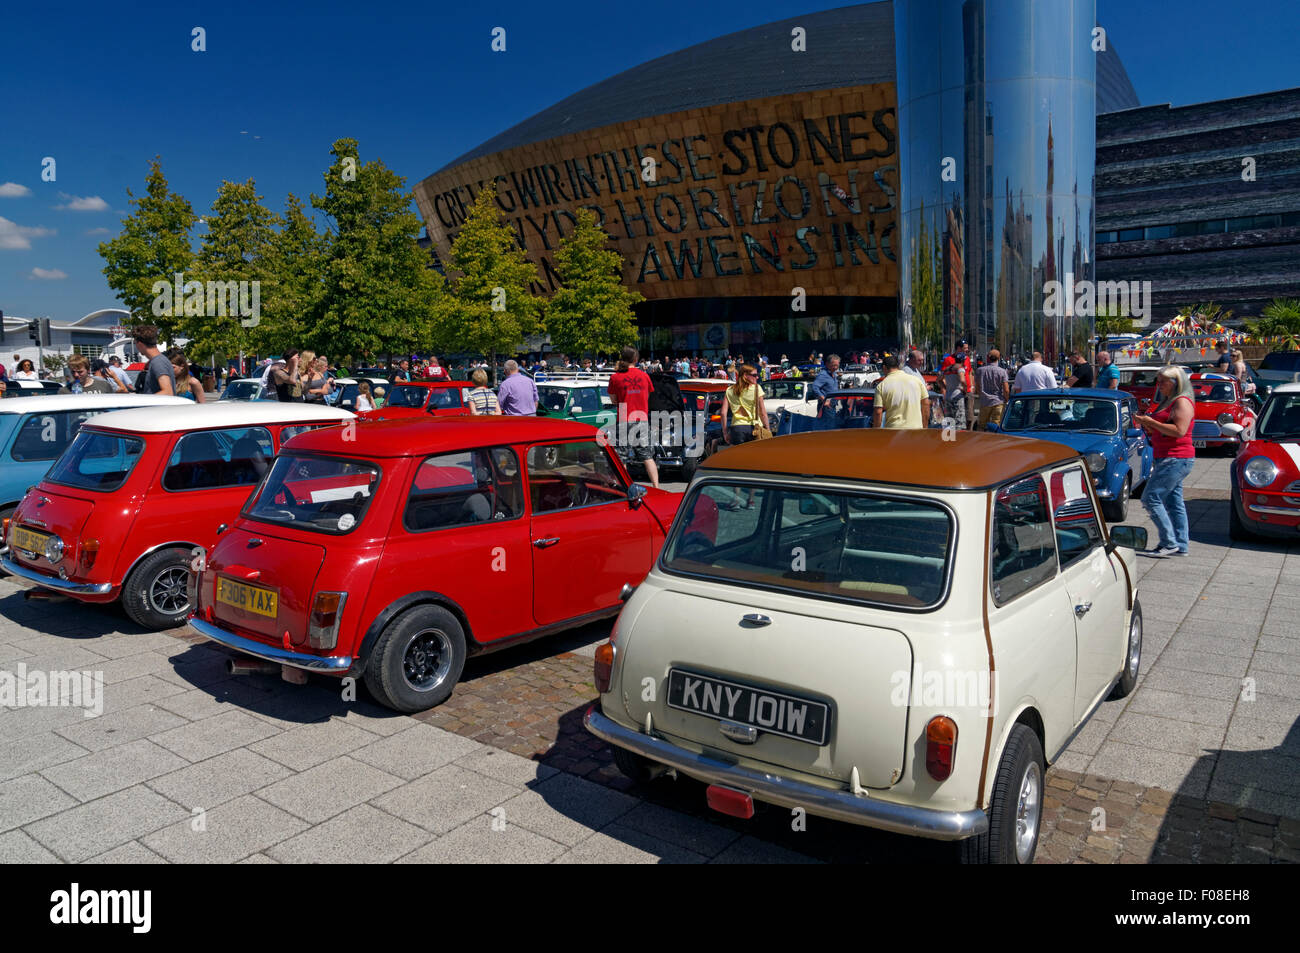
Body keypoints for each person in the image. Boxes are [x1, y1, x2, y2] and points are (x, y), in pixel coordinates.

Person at [1133, 365, 1195, 557]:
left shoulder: (1182, 402)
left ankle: (1169, 542)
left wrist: (1151, 423)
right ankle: (1180, 544)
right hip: (1168, 456)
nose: (1159, 386)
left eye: (1162, 382)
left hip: (1176, 457)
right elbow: (1166, 428)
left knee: (1150, 497)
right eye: (1158, 381)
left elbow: (1179, 431)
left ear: (1175, 382)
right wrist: (1149, 425)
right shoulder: (1170, 400)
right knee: (1174, 502)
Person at [608, 346, 659, 489]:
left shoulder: (615, 377)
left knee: (622, 458)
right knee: (647, 457)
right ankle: (656, 487)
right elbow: (647, 396)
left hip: (624, 417)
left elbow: (613, 400)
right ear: (636, 359)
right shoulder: (644, 376)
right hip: (641, 417)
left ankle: (623, 488)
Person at [873, 353, 931, 429]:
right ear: (898, 367)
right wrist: (925, 427)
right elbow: (926, 404)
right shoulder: (916, 381)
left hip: (893, 431)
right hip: (916, 430)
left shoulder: (881, 386)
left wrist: (876, 431)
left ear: (884, 367)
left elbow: (878, 412)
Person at [131, 325, 175, 395]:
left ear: (140, 344)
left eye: (135, 343)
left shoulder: (158, 362)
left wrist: (142, 401)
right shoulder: (159, 360)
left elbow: (168, 392)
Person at [974, 349, 1010, 430]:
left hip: (985, 401)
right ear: (999, 358)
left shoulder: (980, 371)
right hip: (998, 402)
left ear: (987, 358)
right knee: (996, 426)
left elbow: (977, 387)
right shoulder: (1002, 372)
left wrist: (981, 395)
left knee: (981, 426)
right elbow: (1006, 390)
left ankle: (981, 441)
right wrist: (1006, 400)